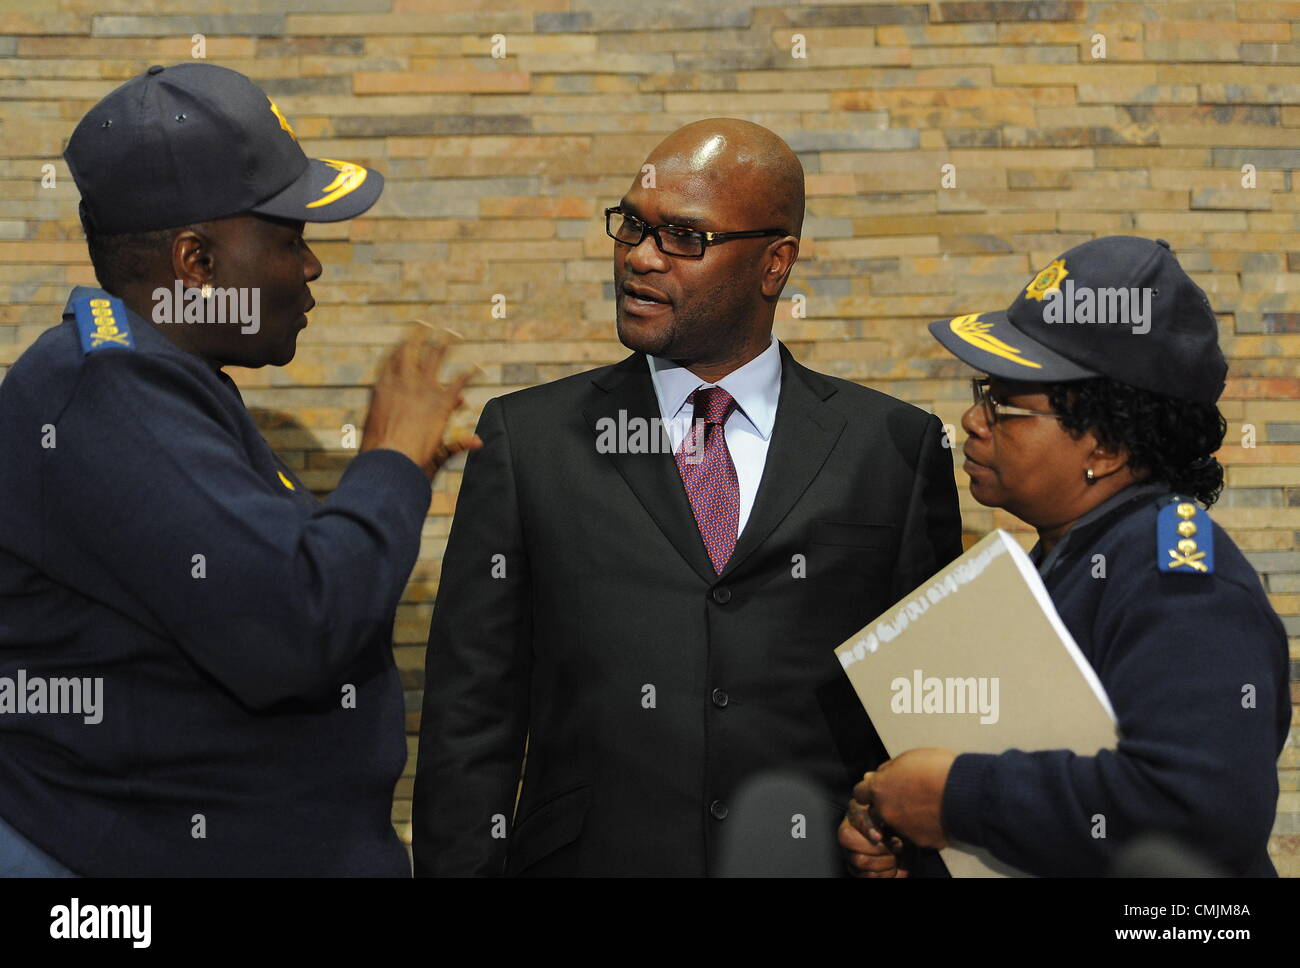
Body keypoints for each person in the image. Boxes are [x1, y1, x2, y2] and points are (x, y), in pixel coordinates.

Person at [413, 118, 963, 876]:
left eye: (684, 237)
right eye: (633, 226)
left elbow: (924, 715)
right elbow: (470, 723)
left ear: (775, 263)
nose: (640, 256)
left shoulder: (894, 448)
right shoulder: (527, 441)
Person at [0, 63, 480, 875]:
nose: (311, 267)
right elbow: (294, 625)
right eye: (289, 239)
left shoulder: (166, 388)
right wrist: (390, 462)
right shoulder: (103, 391)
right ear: (196, 262)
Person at [843, 235, 1289, 876]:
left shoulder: (1179, 578)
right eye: (981, 391)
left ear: (1105, 445)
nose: (973, 420)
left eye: (1004, 402)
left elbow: (1198, 813)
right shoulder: (1073, 555)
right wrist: (913, 839)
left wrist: (954, 800)